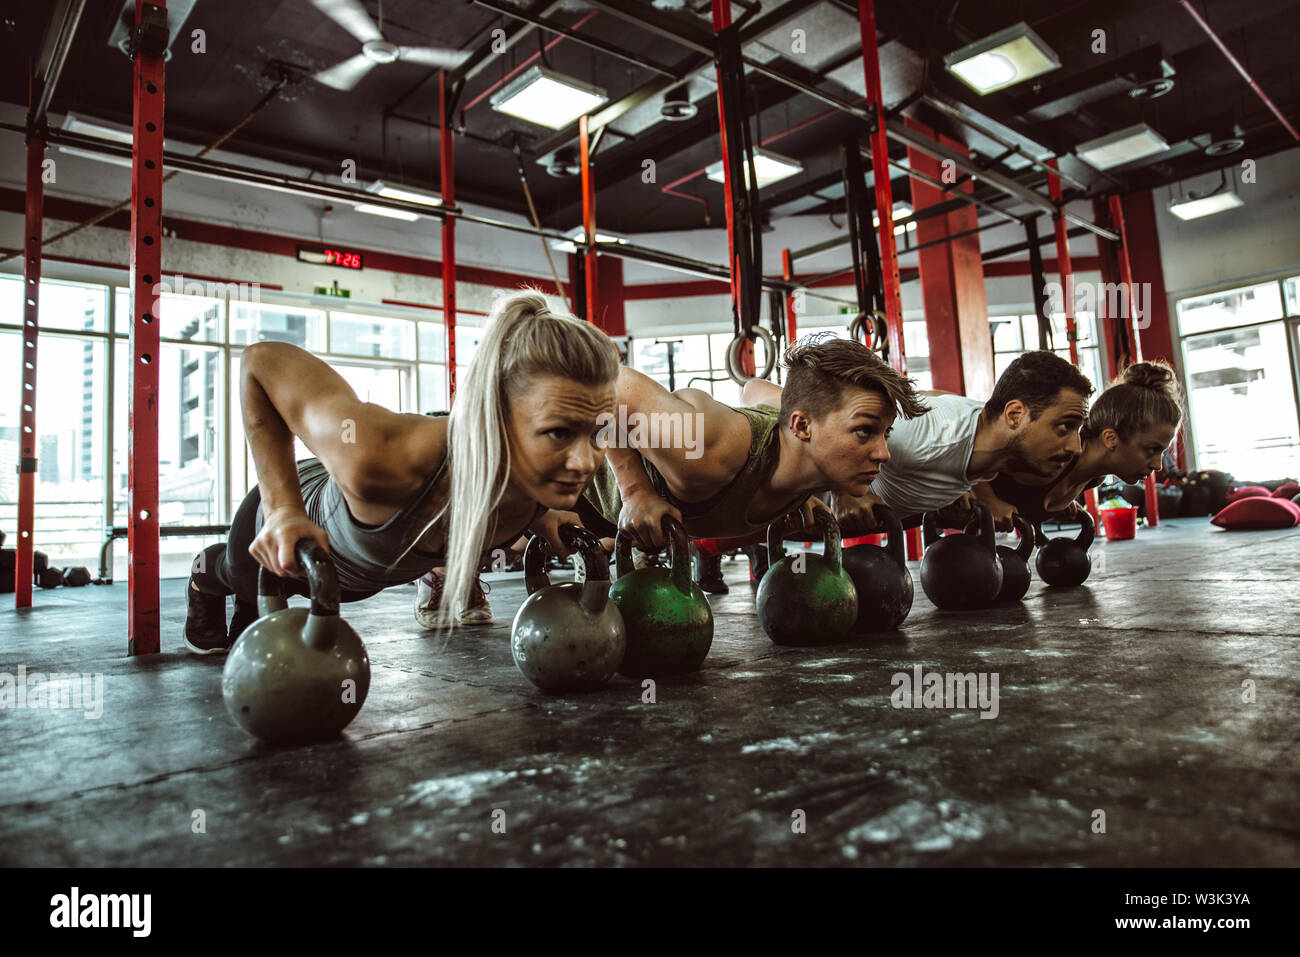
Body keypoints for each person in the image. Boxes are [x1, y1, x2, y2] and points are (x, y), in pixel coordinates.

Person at [184, 291, 619, 654]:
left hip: (362, 576)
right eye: (559, 433)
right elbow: (262, 361)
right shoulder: (375, 454)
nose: (585, 462)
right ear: (496, 418)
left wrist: (541, 518)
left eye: (599, 433)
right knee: (238, 579)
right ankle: (205, 576)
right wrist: (282, 510)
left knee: (253, 615)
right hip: (281, 525)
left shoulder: (545, 473)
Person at [574, 335, 929, 590]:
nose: (884, 453)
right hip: (576, 493)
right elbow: (609, 383)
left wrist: (822, 487)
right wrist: (634, 491)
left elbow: (754, 389)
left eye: (885, 433)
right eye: (865, 432)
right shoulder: (702, 452)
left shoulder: (806, 443)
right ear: (802, 425)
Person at [743, 349, 1095, 531]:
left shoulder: (994, 445)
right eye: (1064, 427)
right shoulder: (923, 436)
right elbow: (755, 391)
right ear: (1015, 415)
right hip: (756, 498)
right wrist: (840, 489)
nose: (1075, 448)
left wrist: (967, 493)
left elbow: (938, 400)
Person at [974, 360, 1184, 527]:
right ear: (1110, 438)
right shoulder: (1053, 456)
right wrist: (988, 500)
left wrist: (1062, 503)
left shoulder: (1094, 477)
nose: (1158, 465)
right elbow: (970, 448)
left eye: (1161, 452)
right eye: (1151, 450)